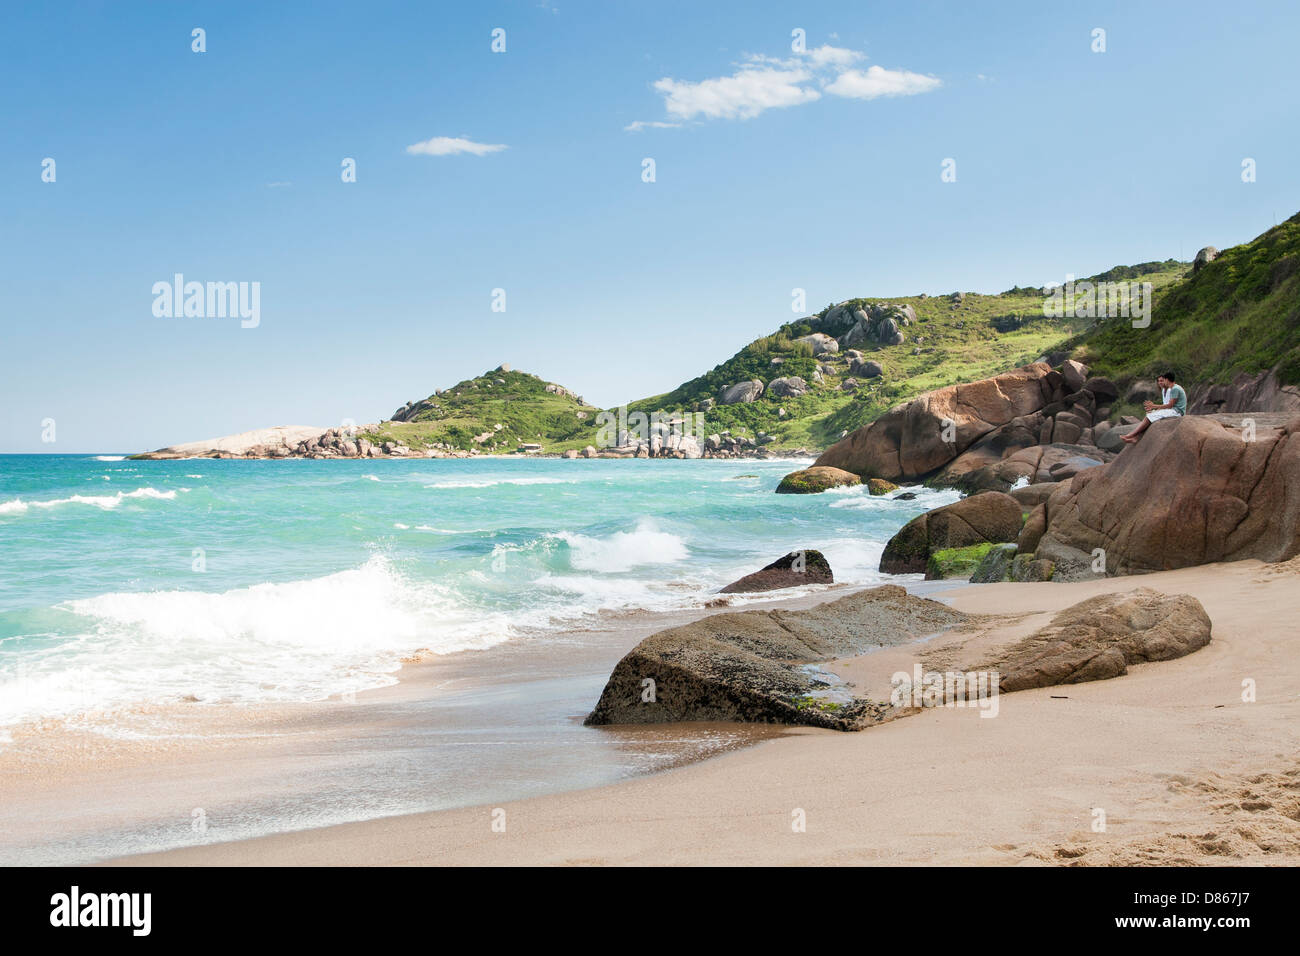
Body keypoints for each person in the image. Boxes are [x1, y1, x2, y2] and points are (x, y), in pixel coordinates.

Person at [1121, 371, 1187, 443]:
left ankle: (1130, 435)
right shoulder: (1174, 388)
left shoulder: (1174, 389)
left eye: (1163, 380)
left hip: (1177, 412)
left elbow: (1170, 405)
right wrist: (1154, 408)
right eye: (1159, 381)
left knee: (1149, 417)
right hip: (1174, 410)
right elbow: (1169, 405)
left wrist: (1153, 406)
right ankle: (1136, 437)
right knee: (1150, 415)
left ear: (1167, 380)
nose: (1162, 382)